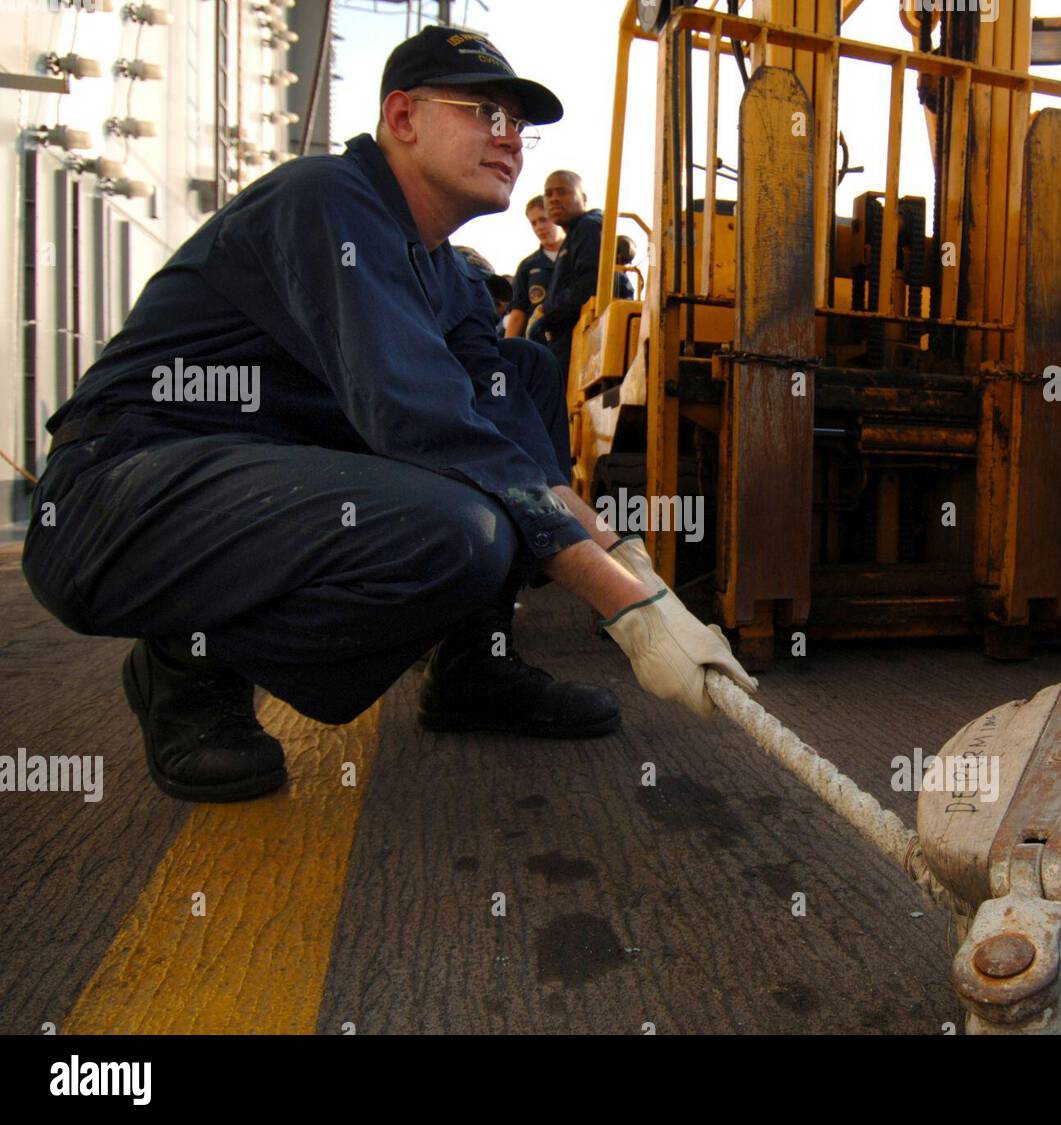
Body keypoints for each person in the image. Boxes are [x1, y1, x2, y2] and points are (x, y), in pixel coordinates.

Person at [22, 25, 756, 805]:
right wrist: (629, 611)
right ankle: (187, 661)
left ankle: (475, 665)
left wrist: (632, 566)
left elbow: (503, 436)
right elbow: (425, 422)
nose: (510, 143)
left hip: (254, 494)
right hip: (123, 490)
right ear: (403, 118)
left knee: (527, 373)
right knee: (455, 533)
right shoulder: (328, 201)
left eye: (521, 129)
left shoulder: (451, 276)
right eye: (485, 114)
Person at [532, 170, 633, 377]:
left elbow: (590, 285)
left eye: (562, 192)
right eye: (548, 194)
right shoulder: (576, 233)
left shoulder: (588, 227)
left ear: (583, 198)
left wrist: (546, 313)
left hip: (579, 348)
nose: (554, 199)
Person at [504, 195, 563, 340]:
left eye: (543, 219)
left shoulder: (581, 256)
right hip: (540, 346)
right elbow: (518, 314)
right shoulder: (527, 266)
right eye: (534, 223)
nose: (539, 227)